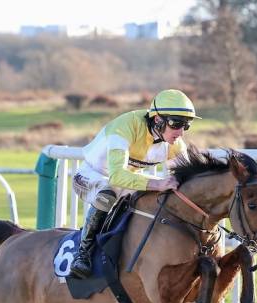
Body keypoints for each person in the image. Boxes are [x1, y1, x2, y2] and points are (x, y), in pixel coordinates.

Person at [69, 89, 200, 279]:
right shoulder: (126, 126)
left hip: (126, 183)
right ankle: (83, 254)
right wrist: (158, 183)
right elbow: (117, 177)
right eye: (175, 123)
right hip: (90, 177)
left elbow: (187, 180)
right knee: (107, 193)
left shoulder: (174, 144)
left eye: (186, 125)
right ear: (157, 119)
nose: (180, 132)